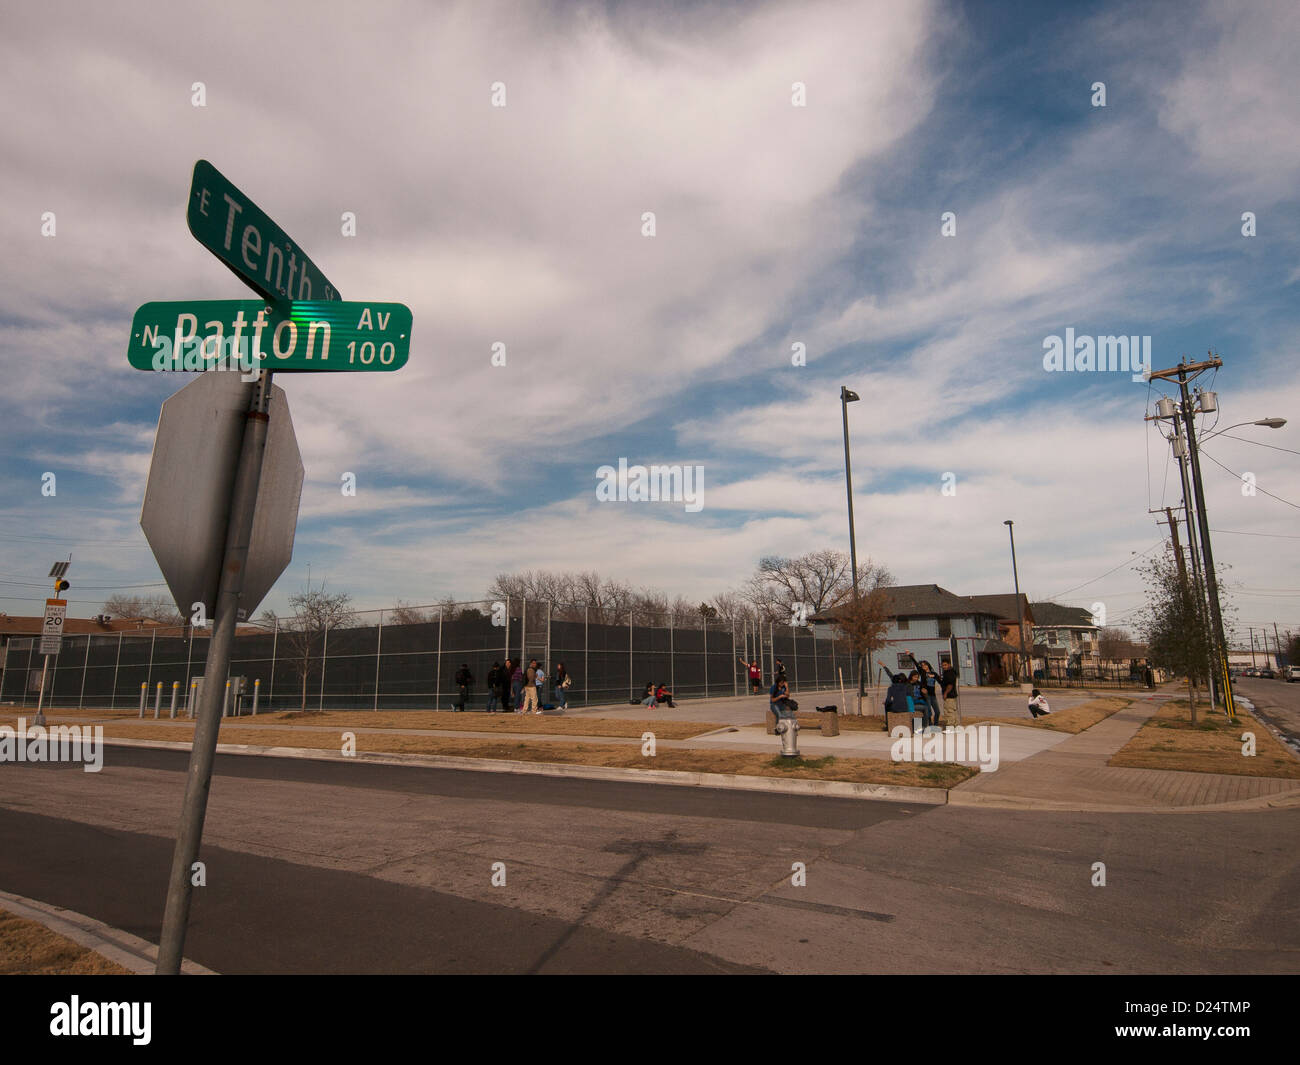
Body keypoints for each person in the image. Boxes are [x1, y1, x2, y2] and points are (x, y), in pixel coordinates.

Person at [939, 659, 959, 723]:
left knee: (948, 712)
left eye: (945, 665)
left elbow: (950, 685)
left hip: (949, 696)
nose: (944, 667)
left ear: (949, 664)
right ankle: (956, 726)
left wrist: (945, 693)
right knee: (953, 711)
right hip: (953, 695)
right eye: (943, 665)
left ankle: (950, 728)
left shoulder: (949, 673)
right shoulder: (951, 671)